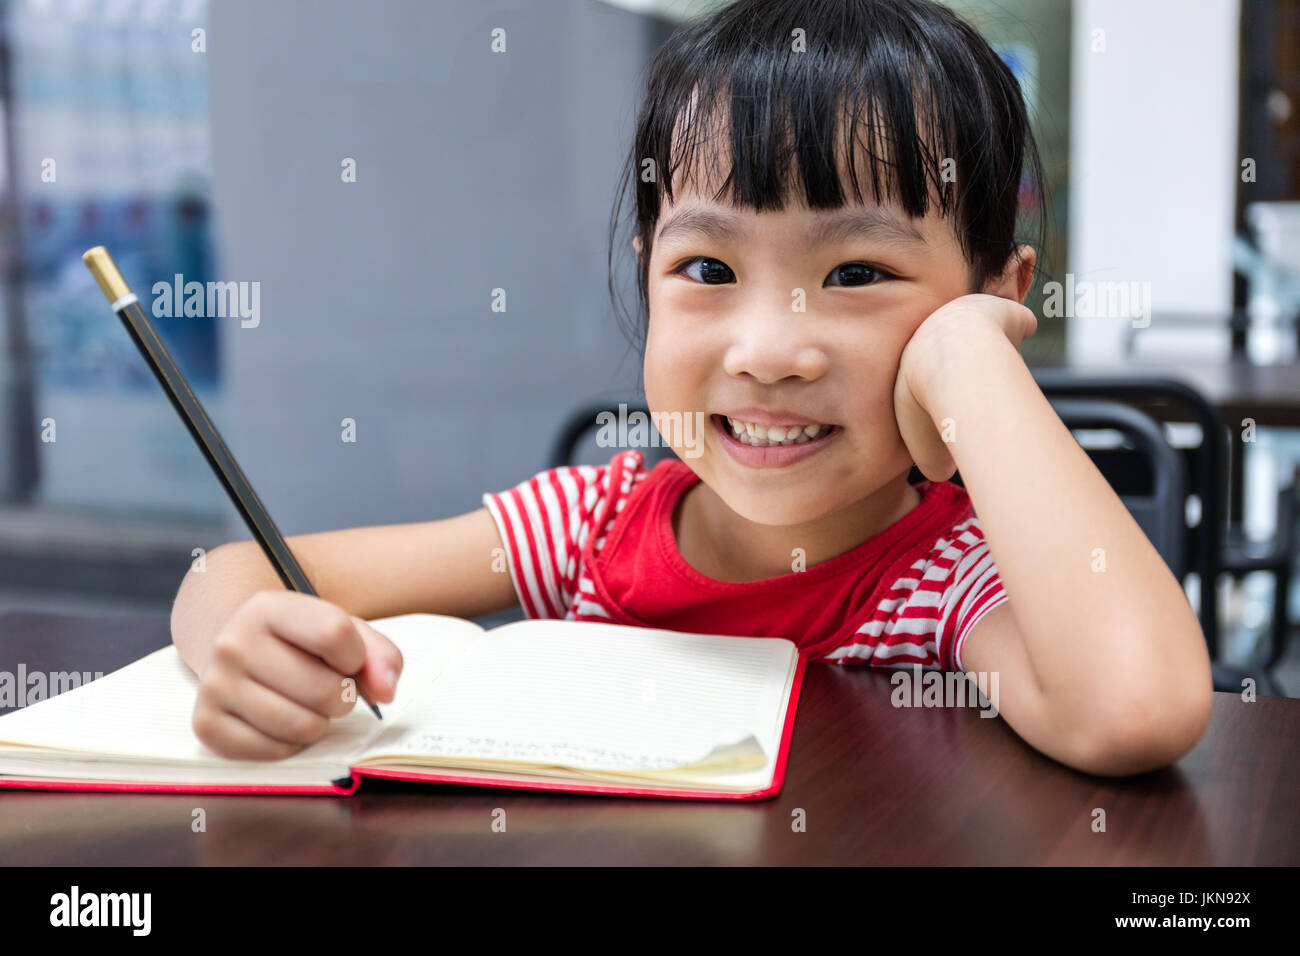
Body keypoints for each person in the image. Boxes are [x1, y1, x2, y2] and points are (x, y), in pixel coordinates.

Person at [171, 0, 1213, 776]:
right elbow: (240, 570)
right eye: (707, 271)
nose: (766, 350)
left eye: (856, 273)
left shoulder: (943, 577)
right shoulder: (590, 524)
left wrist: (973, 362)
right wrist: (247, 648)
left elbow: (1133, 707)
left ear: (994, 295)